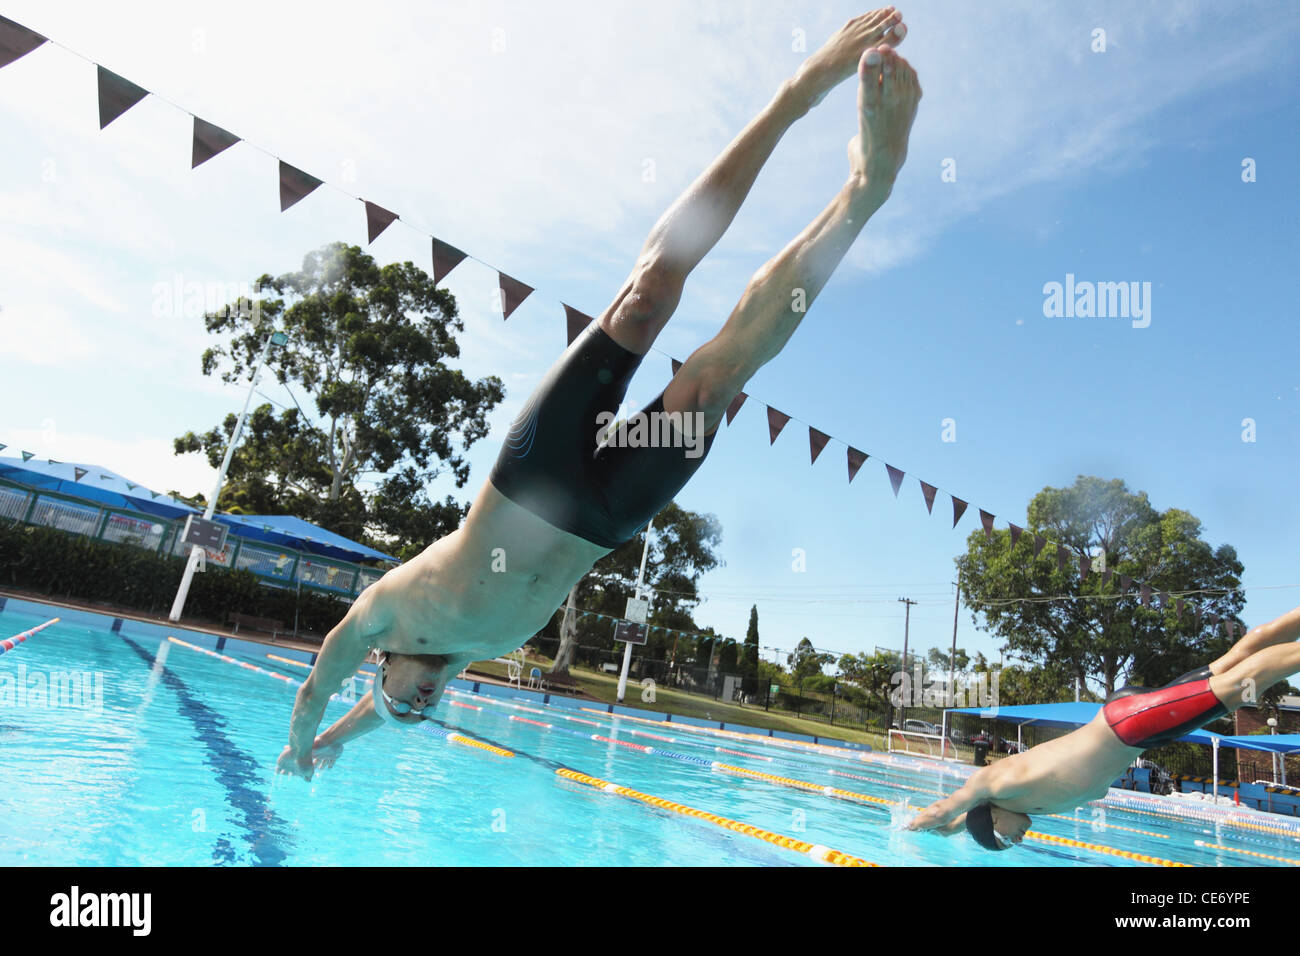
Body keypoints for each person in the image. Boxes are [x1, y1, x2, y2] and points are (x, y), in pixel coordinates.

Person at [277, 7, 921, 779]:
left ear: (382, 669)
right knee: (719, 379)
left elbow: (319, 689)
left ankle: (796, 91)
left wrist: (303, 743)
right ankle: (866, 188)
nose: (421, 705)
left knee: (647, 296)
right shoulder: (471, 654)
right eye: (425, 712)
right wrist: (345, 744)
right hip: (607, 513)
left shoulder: (382, 614)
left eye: (403, 702)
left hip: (534, 474)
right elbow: (375, 714)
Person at [909, 605, 1300, 850]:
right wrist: (948, 831)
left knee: (1241, 686)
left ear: (993, 819)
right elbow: (958, 822)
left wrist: (908, 829)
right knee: (1233, 661)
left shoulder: (996, 784)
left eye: (1005, 839)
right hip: (1134, 724)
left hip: (1129, 725)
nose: (1016, 840)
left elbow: (945, 810)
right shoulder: (1024, 804)